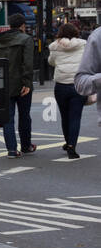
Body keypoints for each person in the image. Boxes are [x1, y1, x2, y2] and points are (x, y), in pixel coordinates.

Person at [0, 13, 36, 158]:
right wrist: (27, 83)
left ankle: (11, 150)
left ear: (10, 25)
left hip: (3, 85)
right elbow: (28, 64)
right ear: (23, 25)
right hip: (22, 84)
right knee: (24, 116)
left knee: (7, 118)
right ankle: (26, 145)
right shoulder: (26, 39)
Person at [49, 23, 88, 159]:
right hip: (78, 85)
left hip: (61, 86)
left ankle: (68, 141)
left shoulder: (55, 46)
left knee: (65, 116)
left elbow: (51, 62)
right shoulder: (84, 45)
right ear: (76, 32)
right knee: (75, 117)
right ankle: (72, 146)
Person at [75, 23, 101, 141]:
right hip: (65, 84)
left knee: (69, 118)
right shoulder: (98, 37)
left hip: (61, 83)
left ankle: (70, 143)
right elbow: (81, 82)